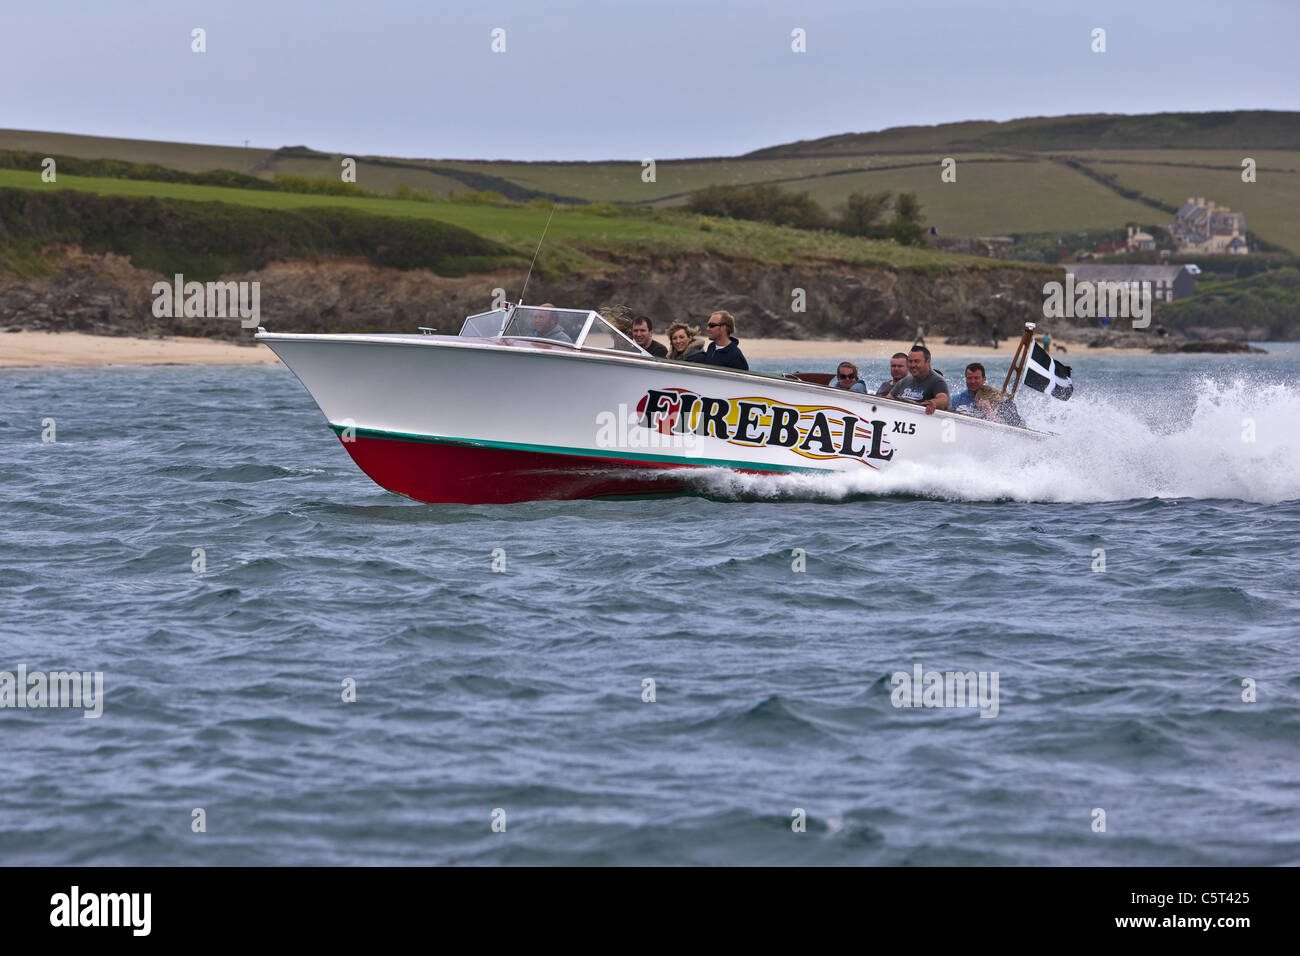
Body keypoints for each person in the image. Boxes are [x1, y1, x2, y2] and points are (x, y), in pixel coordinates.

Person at [890, 345, 949, 414]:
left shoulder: (937, 381)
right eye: (910, 361)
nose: (912, 365)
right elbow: (888, 399)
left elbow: (944, 399)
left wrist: (932, 402)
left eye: (916, 361)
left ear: (927, 361)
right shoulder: (904, 381)